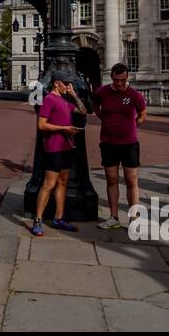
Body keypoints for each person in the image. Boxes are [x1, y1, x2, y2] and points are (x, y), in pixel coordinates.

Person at [31, 70, 86, 237]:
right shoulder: (49, 100)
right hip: (54, 147)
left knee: (63, 182)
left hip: (66, 147)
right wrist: (64, 129)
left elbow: (83, 111)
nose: (68, 86)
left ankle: (59, 218)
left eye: (69, 83)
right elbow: (41, 125)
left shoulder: (64, 100)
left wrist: (74, 94)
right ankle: (38, 220)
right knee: (49, 184)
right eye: (65, 83)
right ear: (56, 83)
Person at [94, 62, 147, 229]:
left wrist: (131, 127)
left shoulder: (134, 95)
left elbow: (142, 115)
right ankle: (114, 216)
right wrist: (107, 121)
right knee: (112, 179)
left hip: (129, 143)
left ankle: (133, 218)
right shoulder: (102, 92)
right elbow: (96, 109)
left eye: (123, 80)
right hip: (108, 142)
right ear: (111, 78)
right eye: (117, 80)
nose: (119, 84)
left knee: (131, 180)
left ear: (127, 78)